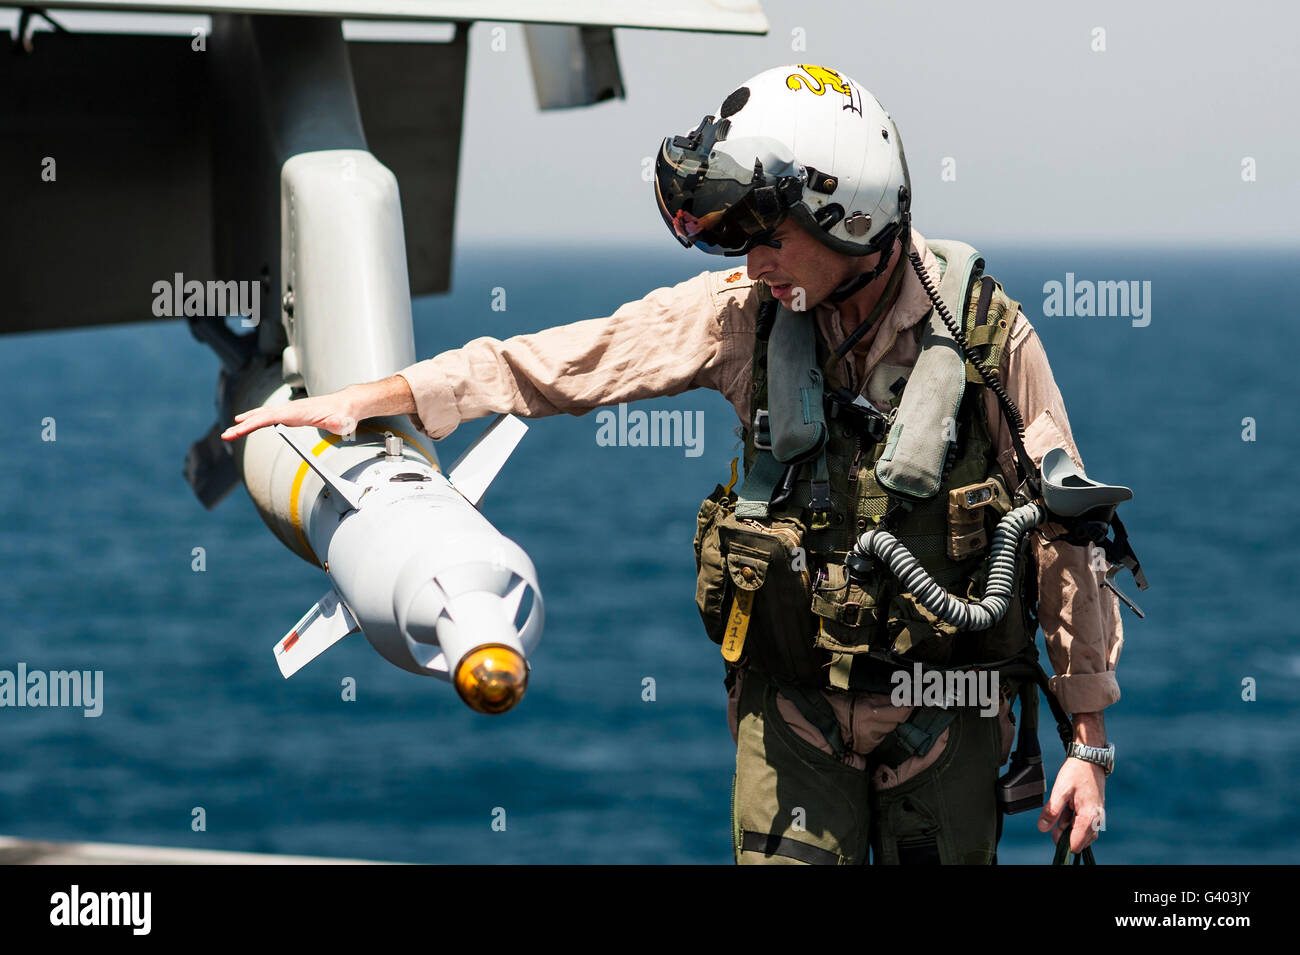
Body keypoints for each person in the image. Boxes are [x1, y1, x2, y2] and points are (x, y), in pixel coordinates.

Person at [222, 64, 1128, 865]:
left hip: (945, 717)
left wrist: (1085, 748)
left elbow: (1064, 535)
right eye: (741, 239)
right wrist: (383, 395)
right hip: (795, 717)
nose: (754, 261)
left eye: (770, 236)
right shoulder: (750, 315)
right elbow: (564, 362)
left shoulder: (985, 338)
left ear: (849, 218)